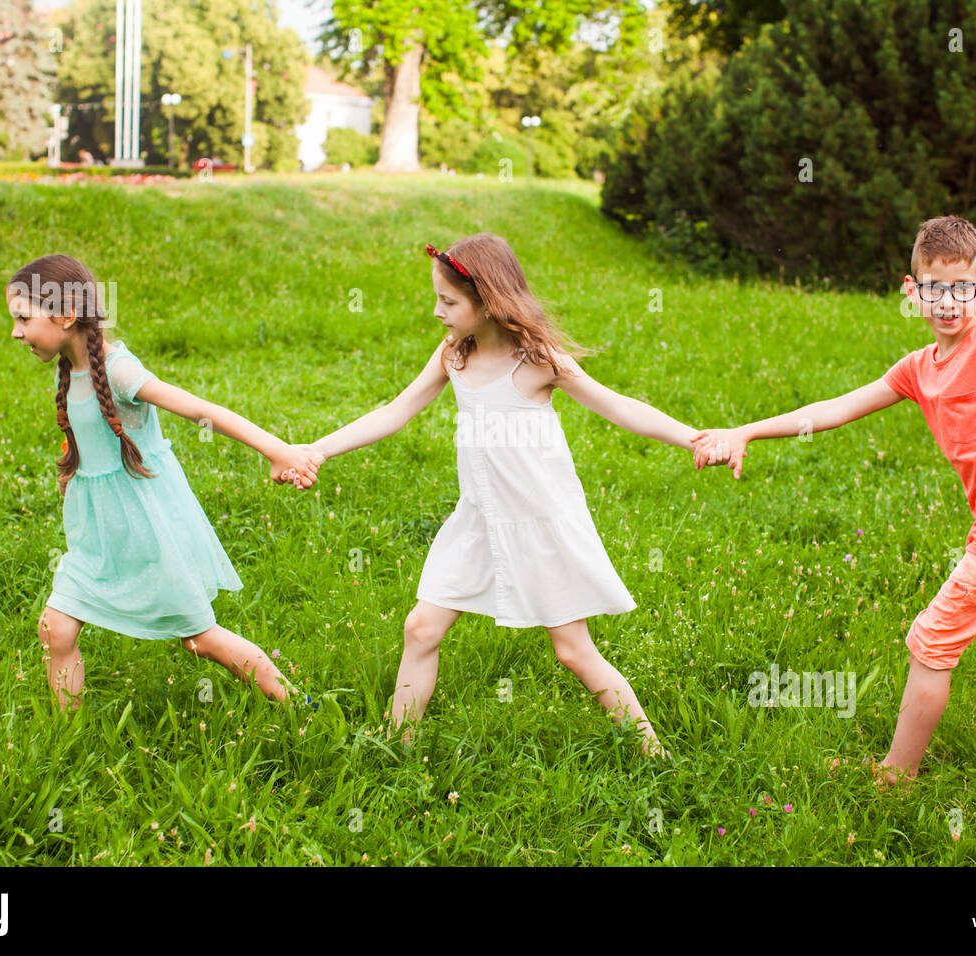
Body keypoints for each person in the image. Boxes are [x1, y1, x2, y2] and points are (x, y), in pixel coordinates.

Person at [694, 215, 976, 830]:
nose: (948, 301)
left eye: (962, 287)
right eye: (934, 288)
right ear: (911, 292)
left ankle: (894, 781)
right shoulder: (920, 368)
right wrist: (748, 429)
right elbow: (837, 408)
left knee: (930, 643)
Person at [290, 234, 700, 756]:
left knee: (573, 650)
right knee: (420, 629)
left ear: (488, 300)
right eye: (438, 298)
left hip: (539, 523)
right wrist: (317, 450)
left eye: (449, 302)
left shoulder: (536, 361)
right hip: (478, 520)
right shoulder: (453, 355)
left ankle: (654, 752)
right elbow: (395, 412)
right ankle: (396, 744)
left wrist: (695, 438)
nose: (437, 311)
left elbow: (619, 407)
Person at [6, 253, 322, 710]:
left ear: (66, 315)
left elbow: (201, 410)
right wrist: (75, 474)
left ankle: (300, 705)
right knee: (56, 627)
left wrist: (277, 450)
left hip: (145, 528)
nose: (15, 332)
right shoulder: (71, 368)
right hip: (98, 533)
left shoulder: (119, 370)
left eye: (22, 318)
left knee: (199, 640)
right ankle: (65, 736)